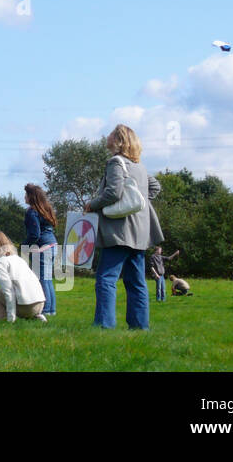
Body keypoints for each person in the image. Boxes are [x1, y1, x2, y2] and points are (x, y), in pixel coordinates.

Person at [83, 124, 164, 330]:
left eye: (111, 134)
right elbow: (155, 187)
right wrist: (137, 204)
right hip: (140, 234)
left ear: (118, 140)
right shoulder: (139, 167)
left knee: (106, 279)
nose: (107, 136)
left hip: (119, 231)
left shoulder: (115, 162)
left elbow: (113, 193)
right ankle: (139, 327)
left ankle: (104, 324)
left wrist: (92, 205)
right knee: (136, 282)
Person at [0, 230, 47, 322]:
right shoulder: (18, 259)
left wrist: (11, 318)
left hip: (27, 307)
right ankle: (36, 316)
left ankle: (2, 321)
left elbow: (8, 291)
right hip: (40, 304)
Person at [23, 183, 58, 316]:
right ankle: (52, 310)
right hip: (52, 245)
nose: (24, 197)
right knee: (47, 279)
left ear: (31, 197)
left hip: (41, 248)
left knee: (42, 279)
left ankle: (46, 310)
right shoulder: (46, 209)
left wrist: (24, 246)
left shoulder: (32, 212)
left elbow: (34, 234)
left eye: (26, 194)